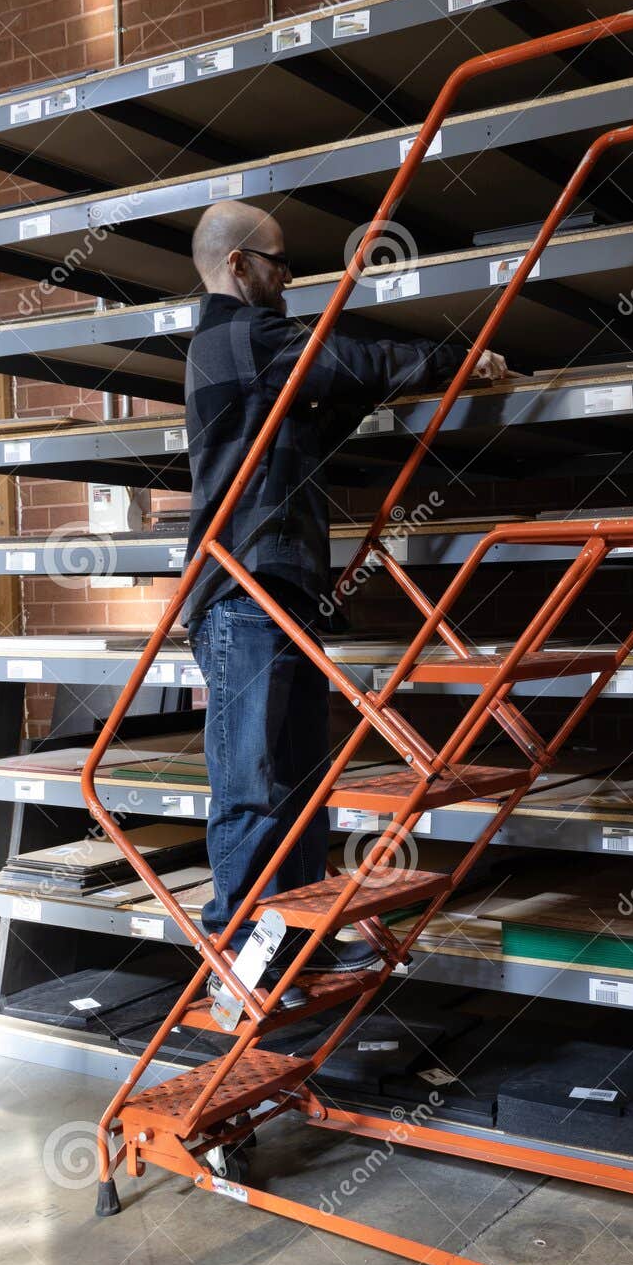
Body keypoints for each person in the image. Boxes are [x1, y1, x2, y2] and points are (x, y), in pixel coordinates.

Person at [183, 200, 508, 1008]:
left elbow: (323, 410)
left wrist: (411, 381)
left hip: (281, 592)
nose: (289, 277)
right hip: (240, 597)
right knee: (254, 786)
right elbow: (338, 359)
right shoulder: (238, 337)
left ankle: (295, 950)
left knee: (296, 788)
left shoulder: (260, 361)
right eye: (280, 262)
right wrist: (452, 359)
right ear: (238, 267)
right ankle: (241, 965)